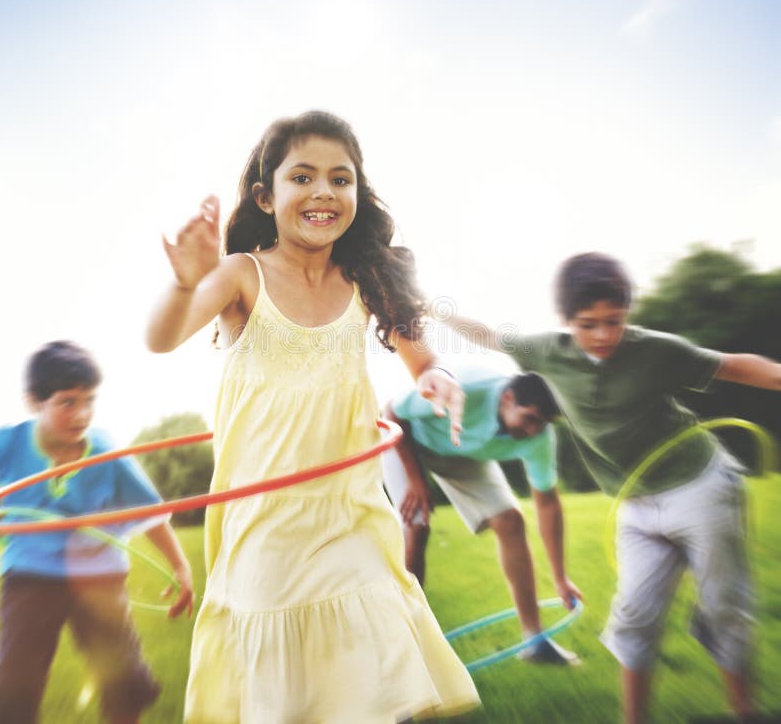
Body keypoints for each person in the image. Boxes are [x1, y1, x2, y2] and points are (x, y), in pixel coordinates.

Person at [147, 110, 479, 723]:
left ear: (357, 192)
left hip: (348, 512)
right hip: (264, 522)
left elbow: (422, 359)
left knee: (372, 674)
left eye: (340, 178)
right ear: (265, 196)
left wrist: (439, 377)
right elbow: (162, 339)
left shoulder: (366, 279)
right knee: (289, 695)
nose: (324, 191)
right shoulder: (241, 275)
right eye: (302, 177)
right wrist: (182, 283)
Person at [442, 252, 781, 724]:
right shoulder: (544, 350)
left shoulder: (655, 350)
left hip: (699, 487)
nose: (602, 336)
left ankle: (745, 712)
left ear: (627, 313)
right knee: (634, 617)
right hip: (637, 506)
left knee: (725, 607)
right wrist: (432, 309)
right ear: (565, 320)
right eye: (588, 324)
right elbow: (487, 335)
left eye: (614, 321)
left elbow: (732, 366)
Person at [0, 340, 194, 724]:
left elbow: (150, 513)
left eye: (89, 400)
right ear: (35, 402)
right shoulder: (8, 441)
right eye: (67, 402)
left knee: (124, 683)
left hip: (99, 578)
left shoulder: (106, 452)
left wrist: (180, 567)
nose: (82, 414)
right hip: (30, 576)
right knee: (13, 690)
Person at [382, 367, 582, 664]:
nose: (533, 432)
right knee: (417, 526)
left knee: (510, 520)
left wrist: (560, 577)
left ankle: (535, 642)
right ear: (507, 398)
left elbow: (547, 503)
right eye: (529, 419)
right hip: (407, 441)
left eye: (542, 424)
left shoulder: (540, 435)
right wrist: (416, 479)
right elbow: (391, 412)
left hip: (460, 452)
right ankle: (405, 647)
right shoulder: (465, 388)